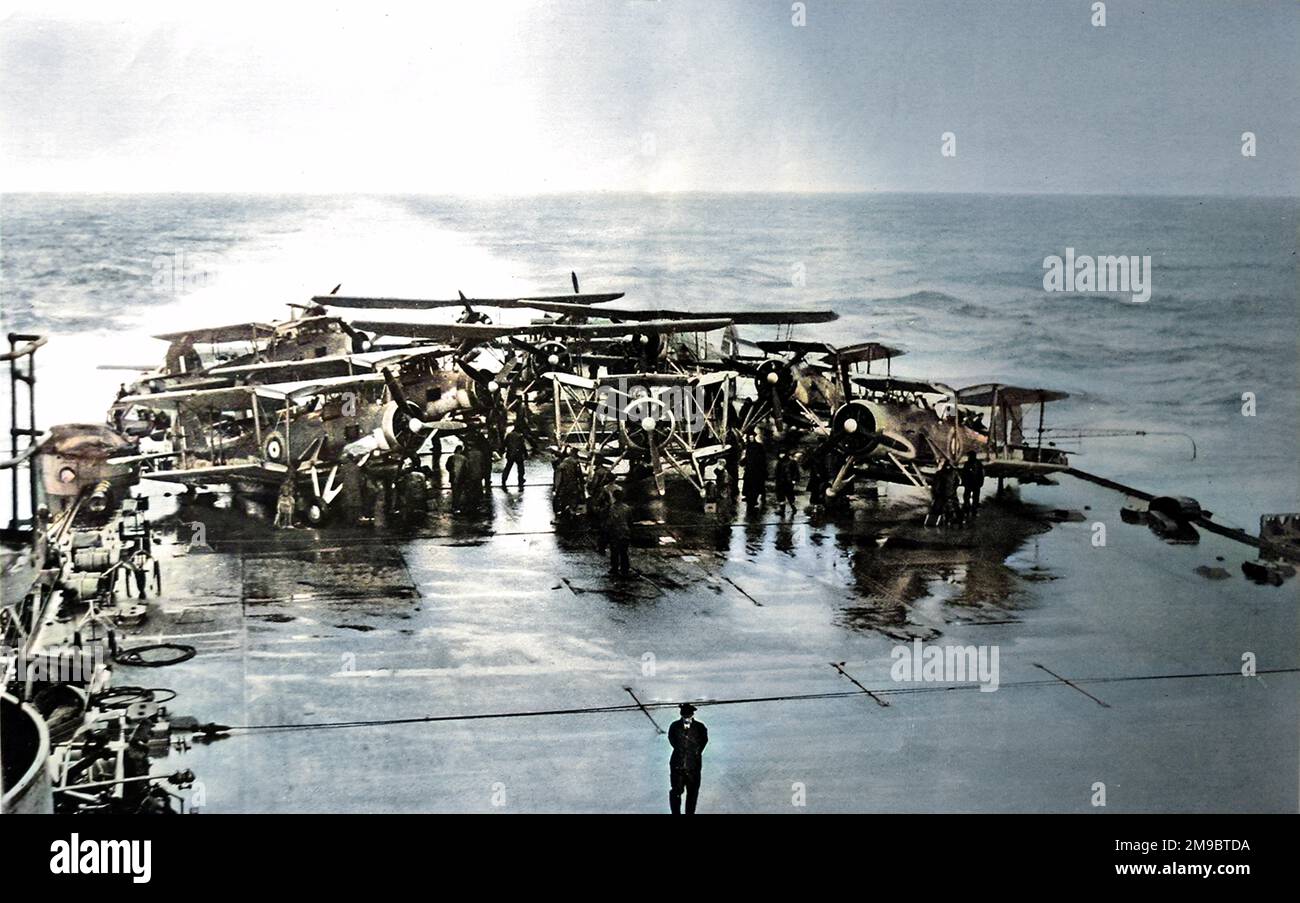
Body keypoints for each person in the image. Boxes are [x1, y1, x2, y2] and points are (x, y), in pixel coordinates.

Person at [668, 703, 708, 815]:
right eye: (684, 715)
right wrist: (681, 750)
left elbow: (703, 741)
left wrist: (694, 752)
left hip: (693, 767)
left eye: (688, 715)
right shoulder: (675, 726)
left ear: (692, 715)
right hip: (677, 766)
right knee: (676, 791)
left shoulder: (700, 727)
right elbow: (672, 740)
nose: (686, 718)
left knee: (692, 793)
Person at [605, 484, 632, 577]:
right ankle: (625, 568)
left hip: (615, 532)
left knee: (614, 551)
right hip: (625, 531)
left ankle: (615, 568)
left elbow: (610, 521)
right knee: (624, 551)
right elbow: (630, 520)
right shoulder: (627, 508)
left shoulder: (612, 508)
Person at [552, 450, 584, 519]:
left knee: (564, 502)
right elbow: (580, 476)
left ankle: (564, 517)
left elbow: (558, 481)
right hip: (574, 486)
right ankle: (573, 515)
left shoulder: (560, 467)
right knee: (573, 503)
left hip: (564, 488)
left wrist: (556, 490)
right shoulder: (574, 462)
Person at [742, 433, 768, 507]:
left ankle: (755, 499)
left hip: (757, 469)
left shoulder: (759, 446)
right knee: (750, 484)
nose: (750, 439)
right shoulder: (748, 446)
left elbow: (762, 458)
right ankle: (749, 497)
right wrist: (744, 462)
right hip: (749, 469)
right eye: (749, 438)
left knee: (756, 485)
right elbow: (747, 457)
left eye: (751, 437)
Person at [960, 451, 985, 520]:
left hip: (972, 483)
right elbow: (982, 474)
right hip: (974, 483)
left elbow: (963, 473)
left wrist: (964, 481)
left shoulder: (968, 463)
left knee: (969, 497)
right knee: (973, 498)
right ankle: (971, 510)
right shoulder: (978, 463)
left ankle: (969, 510)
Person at [501, 426, 527, 490]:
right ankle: (520, 480)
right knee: (520, 468)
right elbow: (522, 446)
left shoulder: (509, 435)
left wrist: (502, 450)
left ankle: (504, 479)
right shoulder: (520, 436)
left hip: (510, 454)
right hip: (518, 454)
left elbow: (504, 443)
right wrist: (525, 453)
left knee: (508, 467)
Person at [774, 450, 800, 514]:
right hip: (782, 482)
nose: (781, 455)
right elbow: (777, 472)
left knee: (788, 495)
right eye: (780, 454)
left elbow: (795, 472)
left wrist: (794, 480)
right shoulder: (780, 462)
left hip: (786, 482)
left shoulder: (790, 462)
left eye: (782, 454)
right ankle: (783, 509)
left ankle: (792, 508)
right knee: (782, 495)